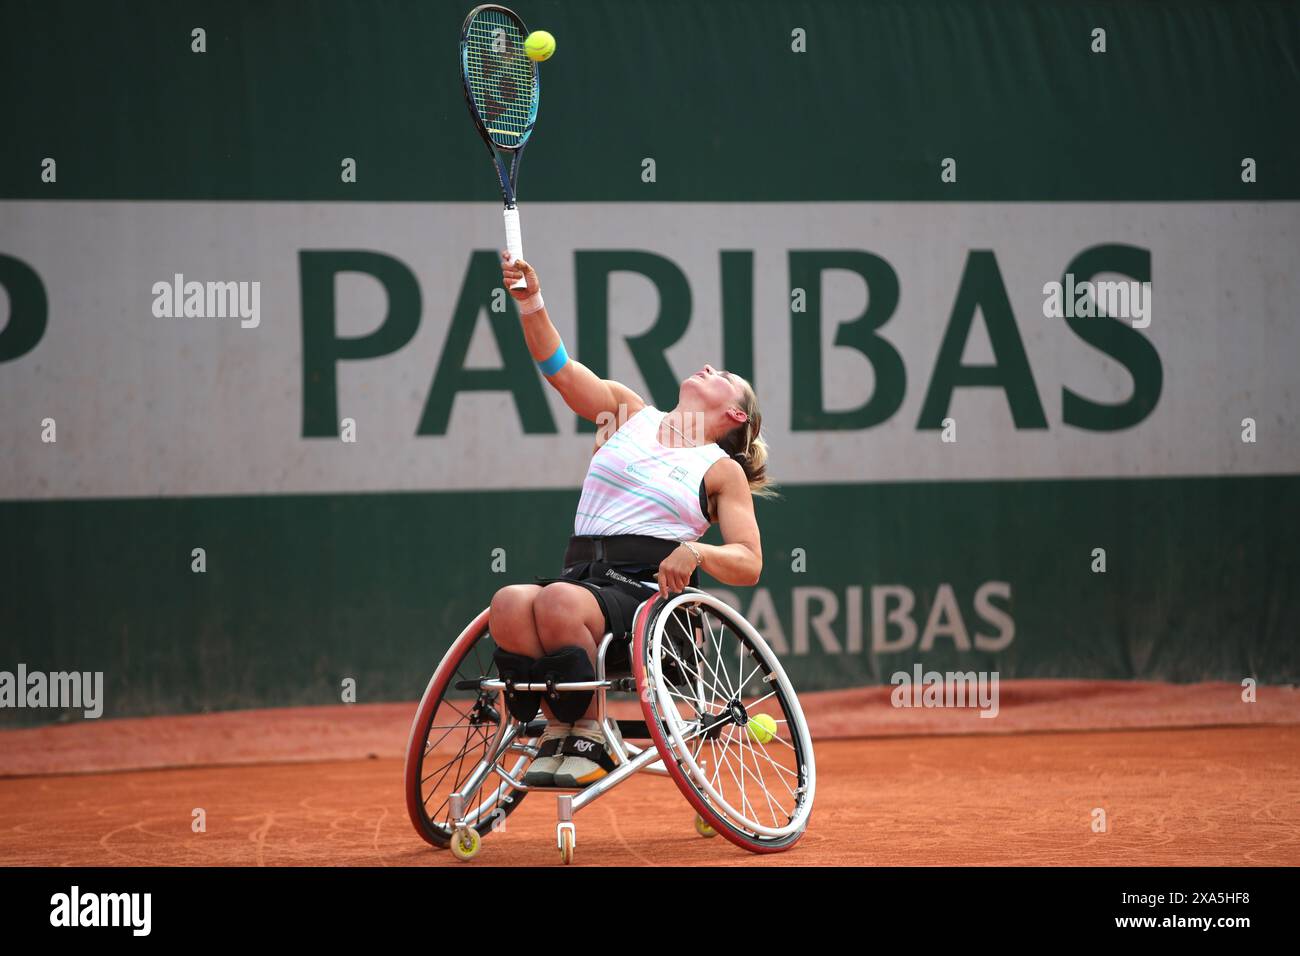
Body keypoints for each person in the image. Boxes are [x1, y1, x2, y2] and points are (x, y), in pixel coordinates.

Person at [489, 251, 777, 788]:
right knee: (507, 603)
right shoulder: (626, 413)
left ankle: (590, 734)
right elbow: (560, 370)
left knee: (554, 602)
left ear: (735, 414)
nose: (709, 367)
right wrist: (531, 301)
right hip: (581, 579)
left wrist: (696, 552)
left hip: (641, 596)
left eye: (724, 376)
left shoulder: (720, 470)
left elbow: (749, 562)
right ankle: (558, 732)